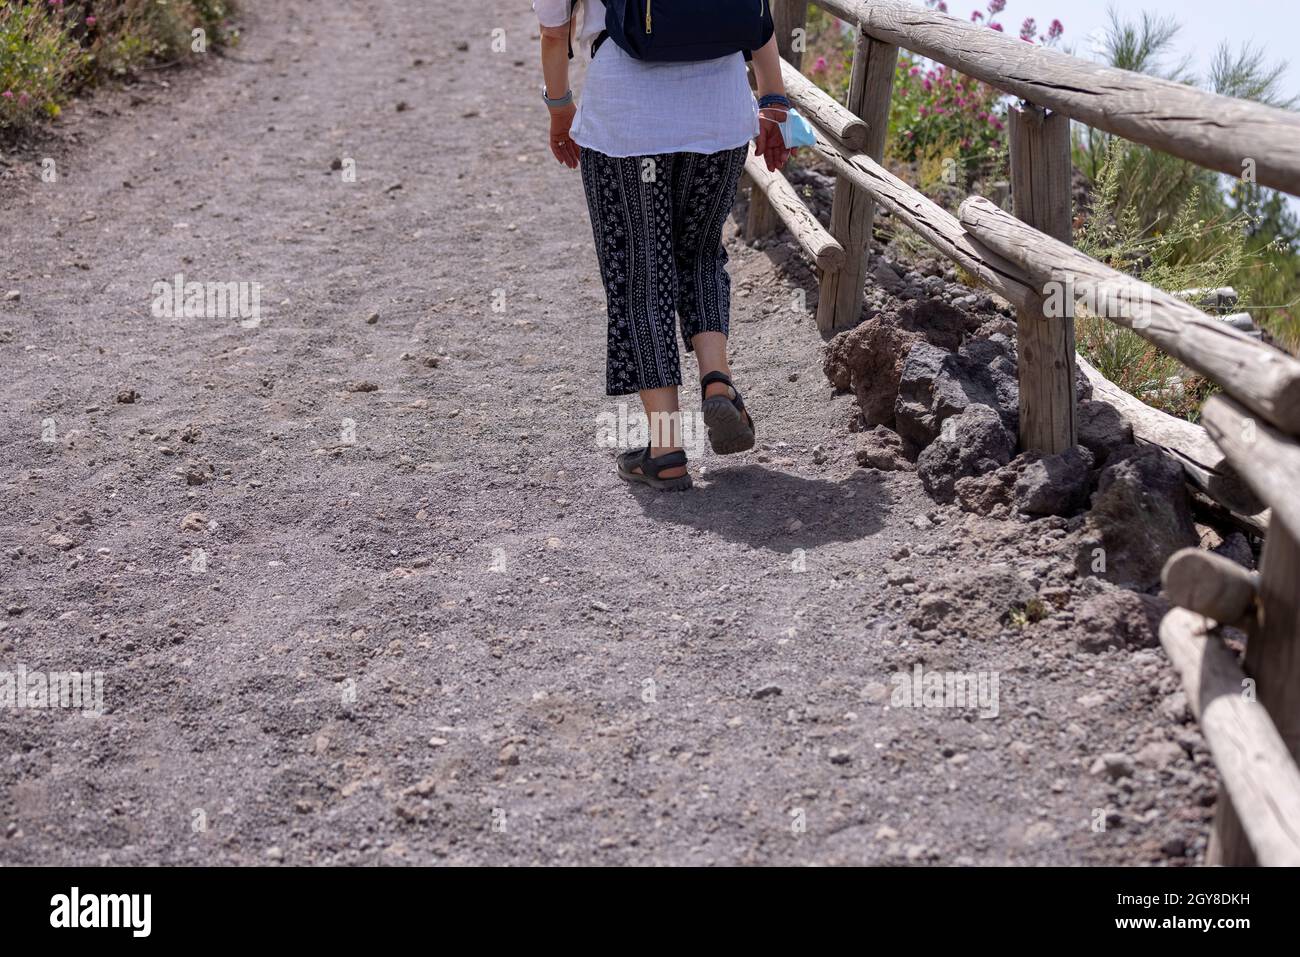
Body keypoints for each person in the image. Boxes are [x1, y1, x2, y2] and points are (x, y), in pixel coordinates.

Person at [534, 0, 794, 490]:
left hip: (626, 120)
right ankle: (717, 380)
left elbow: (553, 35)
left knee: (641, 278)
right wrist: (773, 100)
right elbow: (759, 19)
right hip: (721, 113)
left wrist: (559, 108)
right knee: (700, 253)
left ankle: (667, 449)